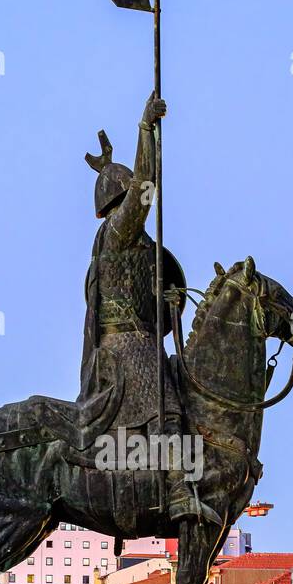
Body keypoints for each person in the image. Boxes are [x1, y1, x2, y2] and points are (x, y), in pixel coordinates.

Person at [80, 94, 221, 525]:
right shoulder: (119, 232)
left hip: (138, 334)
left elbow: (145, 302)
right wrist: (145, 128)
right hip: (126, 344)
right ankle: (178, 490)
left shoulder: (137, 245)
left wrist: (167, 305)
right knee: (166, 406)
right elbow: (147, 183)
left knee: (183, 382)